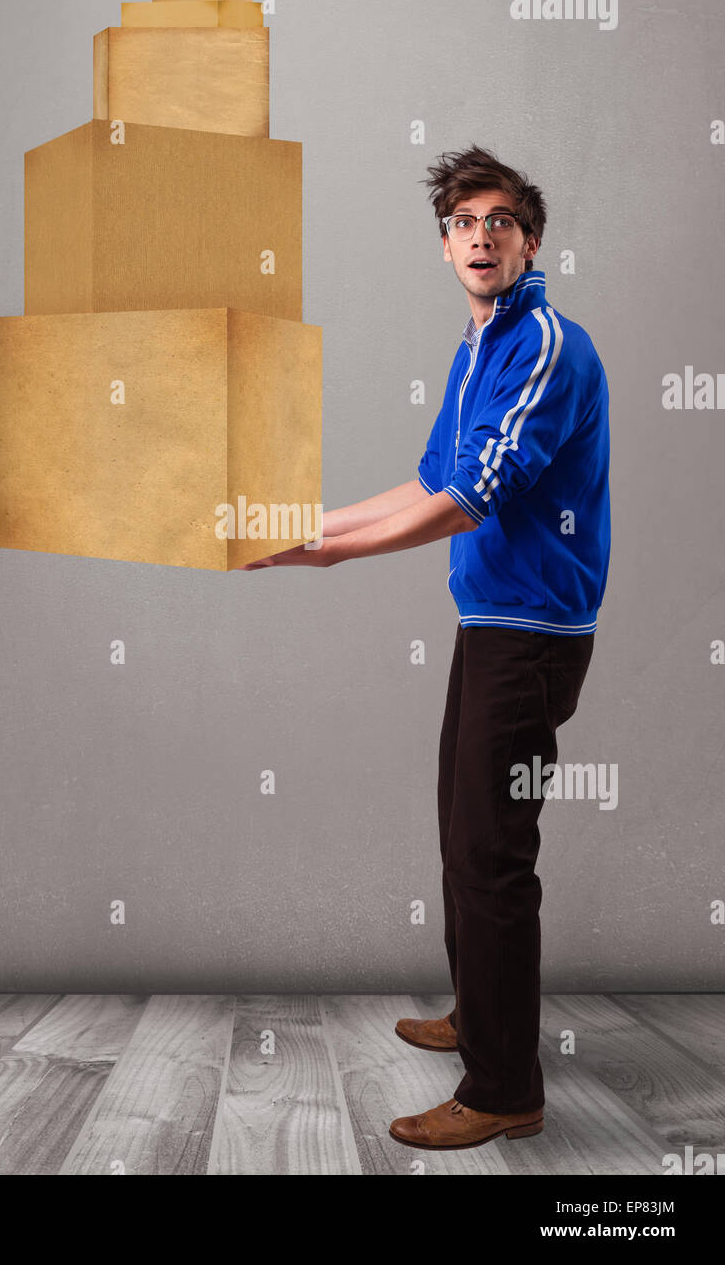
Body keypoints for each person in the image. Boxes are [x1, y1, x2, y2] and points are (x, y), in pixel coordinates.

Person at [237, 143, 612, 1152]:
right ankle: (480, 1016)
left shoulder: (540, 343)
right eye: (462, 223)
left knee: (492, 855)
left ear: (531, 241)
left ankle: (503, 1087)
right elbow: (426, 479)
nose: (480, 235)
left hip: (531, 634)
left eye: (500, 221)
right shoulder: (478, 345)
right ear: (444, 246)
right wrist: (310, 532)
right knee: (461, 834)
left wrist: (327, 558)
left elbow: (469, 498)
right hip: (491, 624)